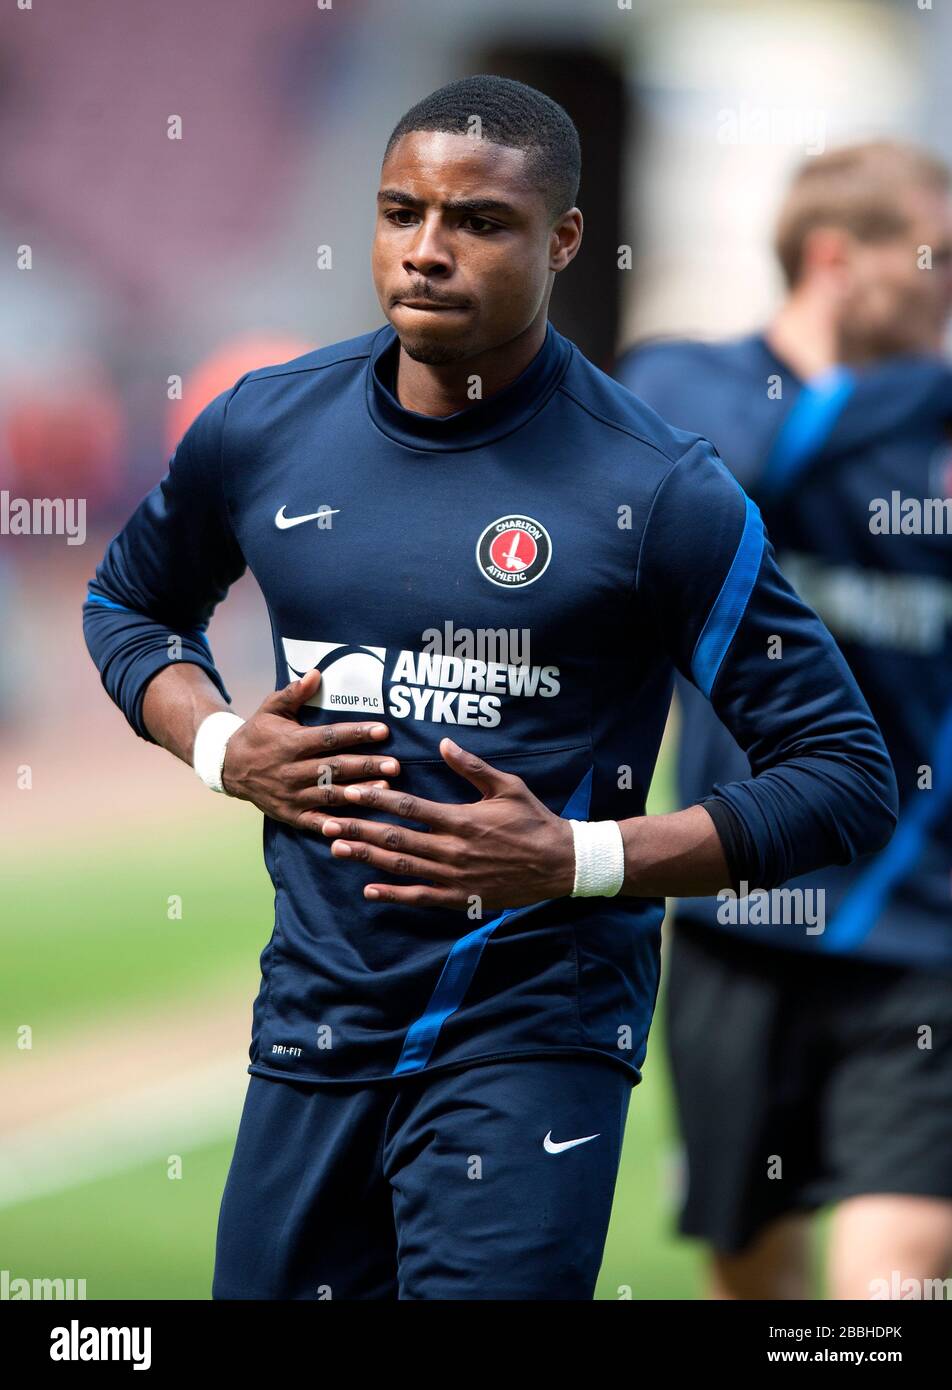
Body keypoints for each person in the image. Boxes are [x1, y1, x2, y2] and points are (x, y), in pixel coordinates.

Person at [84, 78, 897, 1301]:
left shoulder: (660, 494)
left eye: (478, 222)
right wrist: (217, 748)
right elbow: (131, 606)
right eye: (398, 211)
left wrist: (577, 858)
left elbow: (843, 777)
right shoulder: (262, 427)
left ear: (562, 239)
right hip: (314, 1026)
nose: (424, 250)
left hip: (535, 1039)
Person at [615, 140, 952, 1300]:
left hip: (924, 934)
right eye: (936, 258)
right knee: (753, 1277)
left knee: (894, 1278)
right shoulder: (683, 385)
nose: (949, 284)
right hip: (730, 912)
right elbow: (721, 474)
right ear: (834, 260)